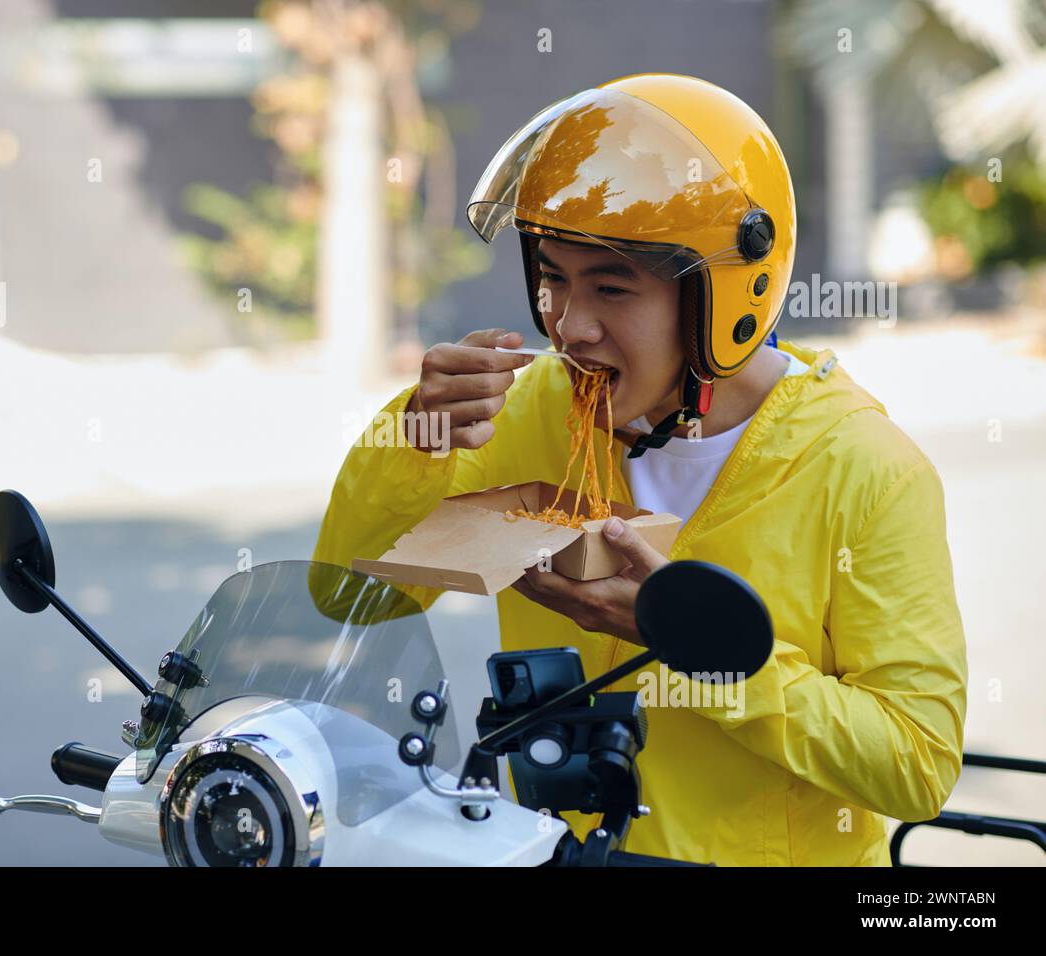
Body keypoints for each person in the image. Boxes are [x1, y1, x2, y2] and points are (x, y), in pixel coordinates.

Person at [313, 74, 967, 866]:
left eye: (611, 287)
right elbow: (354, 595)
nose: (568, 327)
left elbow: (916, 766)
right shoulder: (527, 413)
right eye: (552, 277)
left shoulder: (863, 470)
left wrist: (697, 650)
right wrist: (414, 438)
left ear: (727, 299)